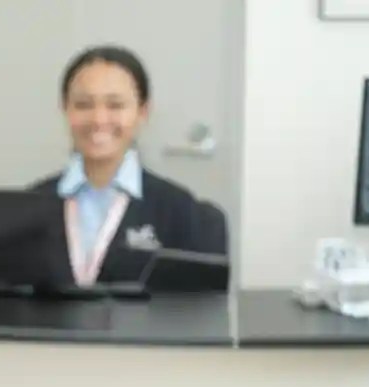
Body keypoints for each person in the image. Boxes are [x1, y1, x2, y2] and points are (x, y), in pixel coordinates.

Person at [30, 45, 227, 290]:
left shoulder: (184, 215)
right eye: (83, 104)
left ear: (142, 112)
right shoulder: (27, 207)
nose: (99, 119)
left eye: (115, 105)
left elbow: (202, 315)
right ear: (65, 109)